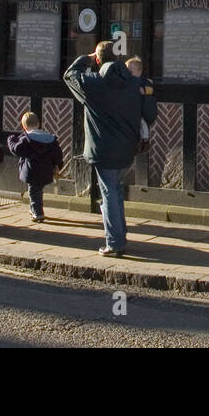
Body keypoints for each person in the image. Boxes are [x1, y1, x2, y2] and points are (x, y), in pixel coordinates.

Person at [63, 41, 142, 257]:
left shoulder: (93, 84)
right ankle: (120, 233)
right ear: (117, 58)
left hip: (104, 150)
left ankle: (114, 242)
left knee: (109, 194)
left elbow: (69, 75)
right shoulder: (133, 83)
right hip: (126, 149)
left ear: (98, 60)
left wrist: (87, 58)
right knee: (115, 191)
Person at [7, 111, 63, 223]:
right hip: (46, 170)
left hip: (31, 170)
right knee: (38, 190)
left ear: (24, 126)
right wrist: (58, 166)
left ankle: (38, 213)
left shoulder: (26, 139)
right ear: (38, 124)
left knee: (33, 191)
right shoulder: (50, 139)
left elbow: (16, 150)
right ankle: (35, 209)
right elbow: (58, 155)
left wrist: (11, 140)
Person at [125, 55, 156, 152]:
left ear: (139, 72)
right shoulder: (126, 81)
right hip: (130, 108)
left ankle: (145, 140)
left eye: (131, 71)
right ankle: (136, 141)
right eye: (127, 71)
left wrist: (144, 90)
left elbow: (151, 89)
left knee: (142, 123)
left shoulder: (143, 81)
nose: (129, 74)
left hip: (140, 108)